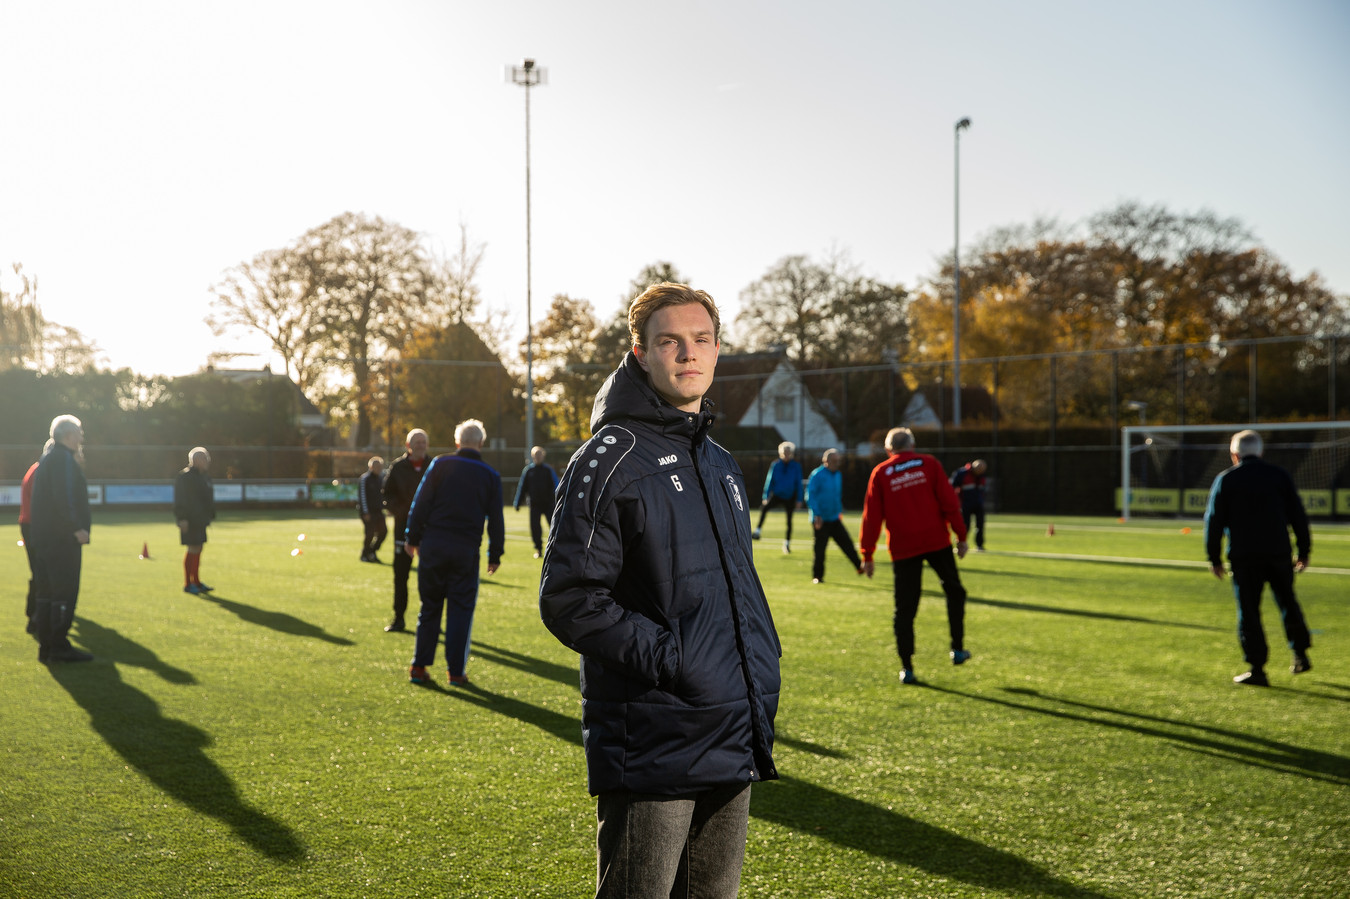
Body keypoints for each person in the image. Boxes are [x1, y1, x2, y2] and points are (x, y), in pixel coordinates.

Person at [539, 282, 780, 899]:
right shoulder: (608, 458)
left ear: (719, 351)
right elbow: (570, 596)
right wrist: (675, 660)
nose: (687, 353)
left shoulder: (720, 462)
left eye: (701, 340)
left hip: (732, 726)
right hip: (655, 735)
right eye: (670, 341)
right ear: (640, 353)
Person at [859, 427, 970, 685]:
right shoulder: (928, 463)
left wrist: (868, 554)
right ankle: (957, 647)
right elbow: (949, 502)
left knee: (905, 609)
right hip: (936, 541)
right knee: (954, 591)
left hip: (903, 548)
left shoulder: (881, 473)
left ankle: (907, 667)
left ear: (888, 450)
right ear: (912, 445)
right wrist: (961, 536)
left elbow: (871, 517)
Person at [1204, 429, 1314, 686]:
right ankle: (1300, 653)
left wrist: (1214, 558)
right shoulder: (1279, 476)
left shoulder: (1226, 479)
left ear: (1234, 454)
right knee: (1288, 602)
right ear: (1261, 452)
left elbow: (1214, 521)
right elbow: (1298, 515)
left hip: (1244, 556)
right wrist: (1304, 550)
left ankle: (1257, 668)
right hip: (1278, 552)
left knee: (1249, 611)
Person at [405, 419, 505, 686]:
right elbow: (496, 518)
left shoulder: (440, 464)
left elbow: (421, 503)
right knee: (460, 611)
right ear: (481, 444)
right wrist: (495, 554)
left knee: (429, 608)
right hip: (465, 551)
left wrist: (412, 537)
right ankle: (456, 672)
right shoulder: (490, 476)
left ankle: (419, 666)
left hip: (434, 546)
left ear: (457, 442)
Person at [29, 415, 93, 663]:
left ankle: (47, 647)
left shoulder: (47, 458)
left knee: (45, 593)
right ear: (68, 435)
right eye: (79, 432)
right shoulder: (63, 459)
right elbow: (64, 497)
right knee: (64, 592)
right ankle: (58, 646)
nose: (82, 437)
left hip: (44, 539)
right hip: (61, 540)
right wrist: (76, 527)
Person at [382, 428, 430, 632]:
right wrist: (402, 511)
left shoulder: (434, 465)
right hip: (403, 530)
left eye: (423, 442)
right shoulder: (398, 467)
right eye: (416, 442)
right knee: (401, 576)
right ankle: (399, 618)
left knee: (430, 577)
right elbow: (386, 495)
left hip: (430, 531)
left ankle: (430, 619)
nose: (420, 445)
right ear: (408, 446)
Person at [805, 448, 863, 584]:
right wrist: (816, 515)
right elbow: (810, 496)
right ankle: (817, 577)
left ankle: (860, 567)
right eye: (834, 461)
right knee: (820, 550)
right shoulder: (817, 475)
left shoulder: (838, 475)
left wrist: (839, 512)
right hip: (821, 520)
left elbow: (837, 496)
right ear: (826, 461)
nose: (837, 463)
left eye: (838, 461)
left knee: (847, 544)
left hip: (834, 518)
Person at [174, 447, 216, 595]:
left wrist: (210, 515)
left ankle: (197, 582)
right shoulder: (185, 477)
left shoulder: (204, 477)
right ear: (196, 460)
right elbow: (180, 499)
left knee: (198, 548)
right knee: (192, 548)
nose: (208, 461)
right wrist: (182, 518)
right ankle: (188, 583)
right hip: (190, 519)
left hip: (200, 520)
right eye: (205, 458)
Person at [18, 441, 50, 635]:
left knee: (39, 571)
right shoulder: (40, 472)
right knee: (41, 572)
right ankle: (35, 617)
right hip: (34, 525)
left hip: (30, 524)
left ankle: (37, 614)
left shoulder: (35, 469)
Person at [753, 441, 802, 553]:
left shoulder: (796, 466)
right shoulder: (775, 465)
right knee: (764, 509)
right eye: (785, 452)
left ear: (792, 453)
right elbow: (769, 481)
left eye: (789, 452)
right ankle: (757, 531)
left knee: (789, 521)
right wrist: (766, 496)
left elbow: (798, 484)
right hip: (777, 495)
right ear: (781, 453)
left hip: (790, 497)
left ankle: (787, 544)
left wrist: (799, 499)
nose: (787, 454)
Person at [512, 445, 559, 559]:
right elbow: (522, 487)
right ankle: (538, 549)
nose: (538, 457)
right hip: (534, 505)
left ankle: (556, 548)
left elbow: (557, 486)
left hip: (549, 504)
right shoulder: (529, 471)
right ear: (532, 456)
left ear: (543, 455)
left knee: (554, 526)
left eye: (539, 455)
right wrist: (517, 502)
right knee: (535, 528)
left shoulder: (548, 470)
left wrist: (558, 501)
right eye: (535, 455)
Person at [950, 458, 988, 551]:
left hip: (978, 504)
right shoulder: (962, 473)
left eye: (982, 470)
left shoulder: (981, 476)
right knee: (965, 526)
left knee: (980, 525)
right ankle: (960, 544)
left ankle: (979, 545)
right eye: (979, 469)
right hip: (965, 504)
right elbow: (951, 486)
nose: (980, 472)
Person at [358, 456, 387, 562]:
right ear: (371, 467)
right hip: (368, 512)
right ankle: (364, 554)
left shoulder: (381, 478)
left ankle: (372, 552)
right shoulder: (365, 479)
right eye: (377, 466)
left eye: (380, 466)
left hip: (378, 511)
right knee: (370, 533)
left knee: (383, 532)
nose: (379, 468)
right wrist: (365, 512)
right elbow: (362, 496)